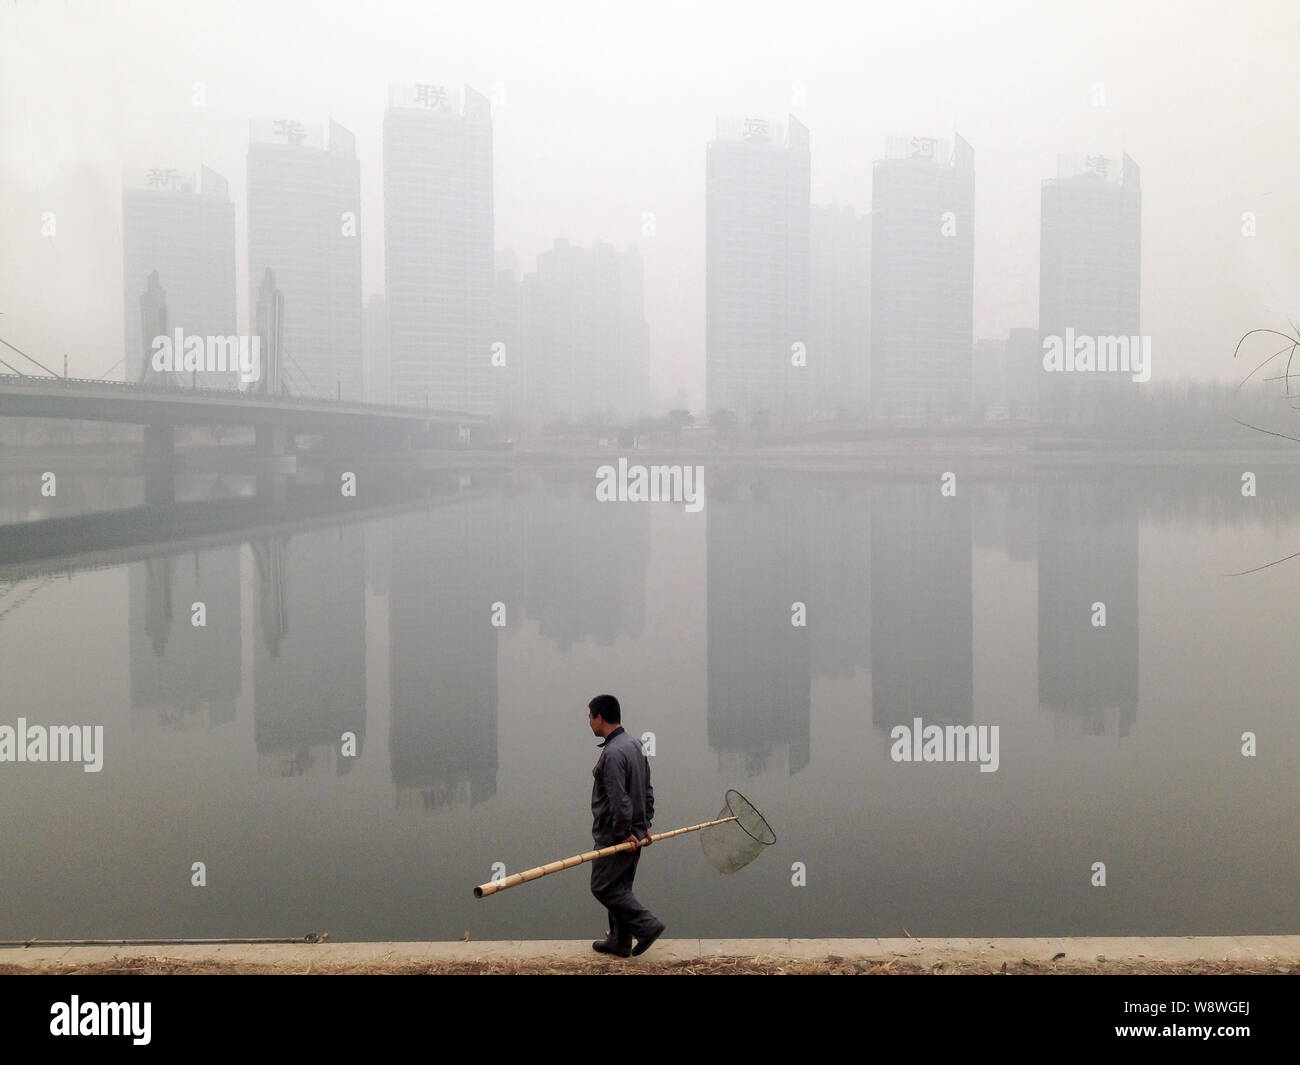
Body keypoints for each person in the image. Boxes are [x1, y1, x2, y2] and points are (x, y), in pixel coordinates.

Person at [587, 694, 665, 957]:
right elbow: (647, 790)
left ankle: (647, 926)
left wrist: (624, 835)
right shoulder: (635, 744)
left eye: (590, 717)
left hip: (617, 836)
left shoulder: (612, 753)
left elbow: (619, 800)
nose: (589, 722)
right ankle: (620, 942)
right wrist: (645, 826)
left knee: (603, 887)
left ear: (599, 717)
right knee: (620, 888)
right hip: (636, 833)